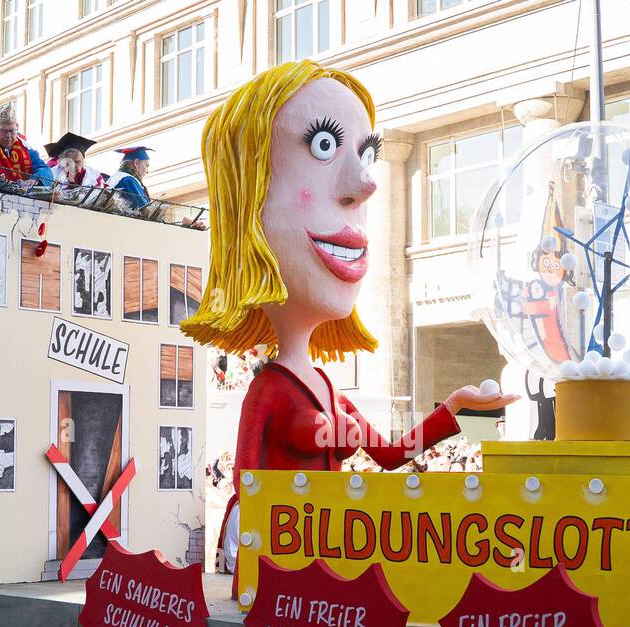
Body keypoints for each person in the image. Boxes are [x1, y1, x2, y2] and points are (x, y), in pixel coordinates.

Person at [180, 60, 515, 593]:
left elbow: (388, 453)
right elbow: (247, 472)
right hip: (276, 573)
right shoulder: (268, 389)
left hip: (327, 565)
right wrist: (243, 527)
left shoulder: (332, 392)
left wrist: (456, 413)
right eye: (321, 146)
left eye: (367, 153)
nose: (365, 184)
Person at [0, 104, 53, 184]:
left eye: (12, 131)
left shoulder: (26, 149)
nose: (8, 136)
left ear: (17, 129)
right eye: (3, 131)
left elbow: (44, 169)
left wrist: (35, 180)